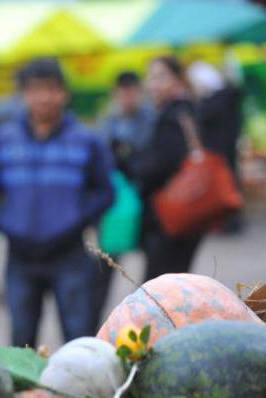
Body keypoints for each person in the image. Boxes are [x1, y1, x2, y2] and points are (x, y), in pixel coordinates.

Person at [0, 57, 114, 348]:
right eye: (34, 90)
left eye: (51, 89)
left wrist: (76, 220)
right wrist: (6, 225)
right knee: (21, 342)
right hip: (20, 256)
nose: (43, 97)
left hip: (70, 254)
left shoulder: (86, 139)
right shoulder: (5, 138)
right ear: (24, 95)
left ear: (64, 93)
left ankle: (79, 394)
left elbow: (105, 192)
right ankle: (26, 396)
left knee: (79, 339)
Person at [125, 56, 201, 281]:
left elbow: (160, 166)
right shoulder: (185, 111)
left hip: (169, 216)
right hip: (184, 213)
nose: (152, 84)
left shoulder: (173, 115)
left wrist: (130, 162)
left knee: (161, 291)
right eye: (150, 77)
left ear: (178, 80)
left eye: (160, 77)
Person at [94, 71, 155, 314]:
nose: (128, 97)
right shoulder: (108, 119)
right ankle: (96, 319)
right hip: (117, 206)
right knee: (105, 265)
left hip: (144, 201)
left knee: (152, 271)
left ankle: (149, 314)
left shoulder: (149, 117)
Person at [188, 61, 244, 233]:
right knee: (229, 185)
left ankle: (229, 222)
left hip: (219, 151)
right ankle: (230, 221)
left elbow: (203, 121)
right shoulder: (227, 97)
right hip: (227, 149)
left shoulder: (213, 101)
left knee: (223, 188)